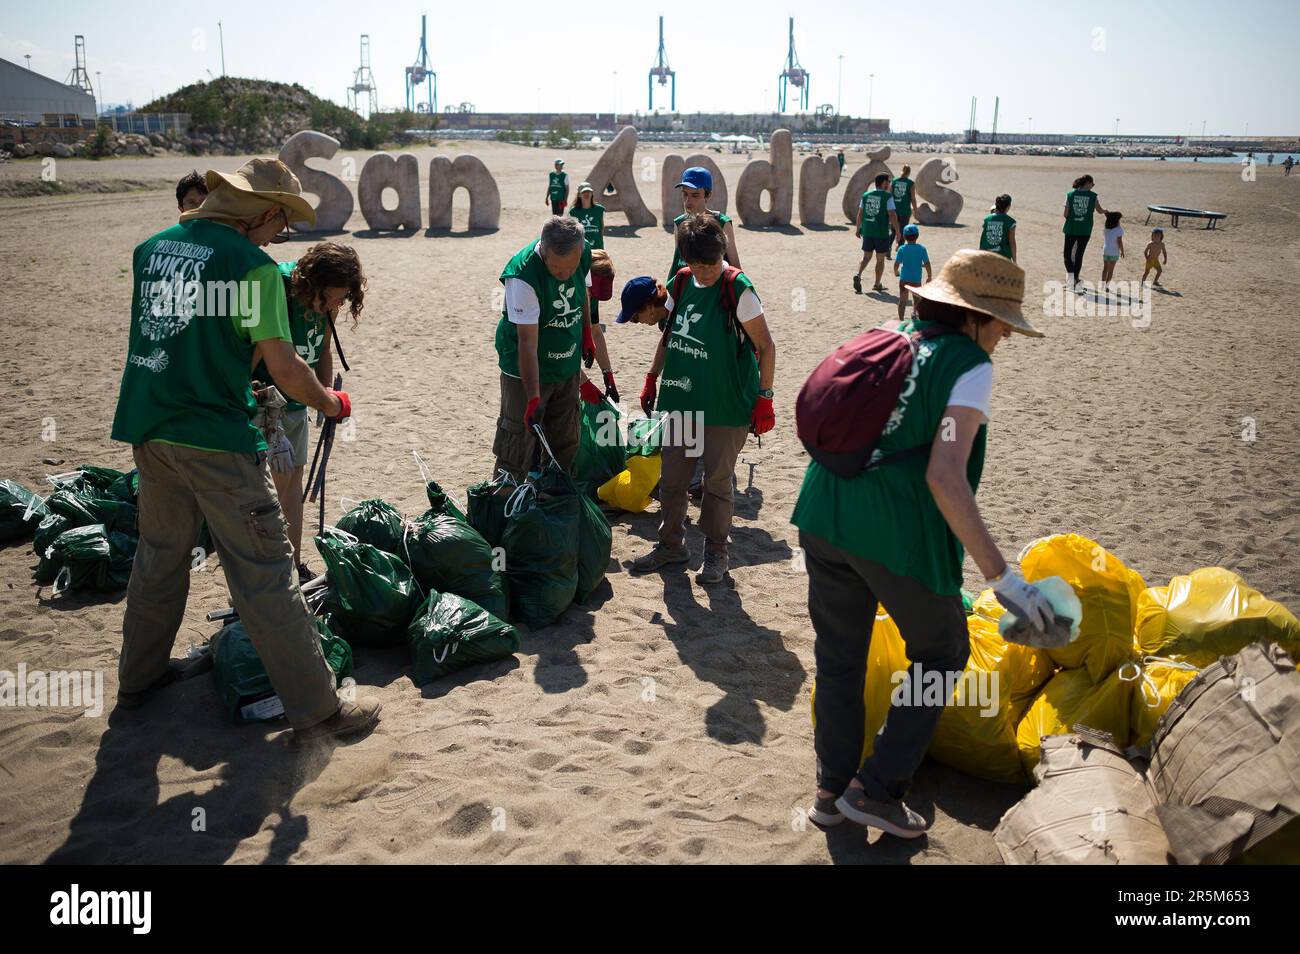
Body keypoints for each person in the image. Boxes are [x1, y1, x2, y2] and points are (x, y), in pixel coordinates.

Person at [110, 158, 379, 742]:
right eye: (279, 219)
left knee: (160, 556)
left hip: (149, 424)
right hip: (214, 437)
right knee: (265, 573)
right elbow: (283, 364)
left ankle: (138, 680)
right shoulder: (253, 268)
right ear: (260, 211)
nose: (279, 232)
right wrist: (331, 403)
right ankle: (320, 710)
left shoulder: (152, 249)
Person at [792, 249, 1051, 838]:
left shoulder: (889, 333)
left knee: (840, 658)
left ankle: (831, 792)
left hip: (823, 511)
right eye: (1002, 321)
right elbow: (945, 474)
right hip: (893, 533)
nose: (1006, 334)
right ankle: (878, 789)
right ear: (976, 317)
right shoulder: (969, 364)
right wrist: (1002, 579)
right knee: (942, 653)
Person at [624, 214, 777, 585]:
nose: (705, 272)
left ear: (721, 253)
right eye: (697, 265)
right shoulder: (681, 282)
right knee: (672, 479)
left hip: (725, 406)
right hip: (680, 400)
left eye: (710, 264)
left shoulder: (737, 288)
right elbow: (670, 335)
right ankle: (671, 545)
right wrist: (651, 377)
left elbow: (766, 346)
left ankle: (716, 551)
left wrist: (765, 397)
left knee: (716, 483)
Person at [252, 242, 366, 581]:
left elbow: (324, 348)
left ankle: (293, 564)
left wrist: (324, 394)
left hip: (299, 402)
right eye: (331, 297)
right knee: (268, 490)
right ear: (312, 284)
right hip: (266, 405)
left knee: (293, 486)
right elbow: (256, 356)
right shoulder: (279, 292)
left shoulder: (328, 302)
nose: (335, 305)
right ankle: (267, 573)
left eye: (342, 299)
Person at [493, 215, 593, 481]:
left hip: (566, 362)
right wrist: (534, 397)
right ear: (543, 250)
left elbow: (583, 291)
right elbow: (527, 343)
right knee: (517, 446)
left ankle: (555, 504)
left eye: (569, 268)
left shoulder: (583, 255)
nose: (564, 275)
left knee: (565, 441)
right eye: (557, 269)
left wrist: (587, 333)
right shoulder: (523, 275)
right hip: (525, 367)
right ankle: (505, 506)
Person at [666, 166, 741, 282]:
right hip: (687, 287)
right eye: (685, 194)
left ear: (708, 195)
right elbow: (679, 259)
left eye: (695, 195)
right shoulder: (679, 223)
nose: (688, 201)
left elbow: (735, 265)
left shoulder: (722, 223)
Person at [854, 173, 900, 294]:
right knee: (880, 260)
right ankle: (877, 284)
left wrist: (858, 228)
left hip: (867, 231)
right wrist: (898, 231)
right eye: (888, 182)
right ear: (884, 183)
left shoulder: (866, 195)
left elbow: (860, 213)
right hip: (881, 232)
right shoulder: (887, 196)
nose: (889, 184)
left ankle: (858, 275)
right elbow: (892, 214)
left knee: (866, 257)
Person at [1062, 174, 1108, 290]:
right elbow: (1099, 210)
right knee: (1079, 255)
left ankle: (1073, 278)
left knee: (1067, 255)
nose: (1093, 186)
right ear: (1087, 182)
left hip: (1071, 228)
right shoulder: (1093, 196)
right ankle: (1075, 278)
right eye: (1092, 183)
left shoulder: (1070, 194)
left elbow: (1065, 214)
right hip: (1085, 229)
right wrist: (1105, 211)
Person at [893, 224, 931, 321]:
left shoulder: (902, 249)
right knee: (917, 300)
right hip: (916, 279)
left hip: (904, 279)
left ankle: (901, 319)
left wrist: (896, 271)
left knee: (902, 301)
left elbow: (896, 263)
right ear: (917, 235)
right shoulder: (922, 249)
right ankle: (914, 313)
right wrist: (929, 276)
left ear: (904, 236)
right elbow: (927, 263)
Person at [978, 194, 1017, 261]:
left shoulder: (987, 219)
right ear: (1008, 207)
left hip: (987, 254)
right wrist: (1015, 261)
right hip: (1003, 257)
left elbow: (983, 238)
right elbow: (1012, 242)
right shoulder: (1010, 222)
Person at [569, 182, 605, 250]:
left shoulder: (599, 209)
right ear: (579, 195)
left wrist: (599, 240)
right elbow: (572, 231)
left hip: (598, 246)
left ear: (592, 194)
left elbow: (601, 226)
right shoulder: (573, 212)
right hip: (581, 248)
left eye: (589, 192)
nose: (587, 194)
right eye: (584, 192)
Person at [889, 165, 916, 254]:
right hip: (905, 210)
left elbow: (889, 195)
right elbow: (913, 198)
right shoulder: (910, 183)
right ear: (909, 172)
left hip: (894, 210)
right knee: (903, 230)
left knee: (893, 230)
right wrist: (915, 209)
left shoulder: (894, 181)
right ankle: (900, 249)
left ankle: (887, 249)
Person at [1100, 211, 1124, 288]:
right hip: (1114, 252)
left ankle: (1102, 285)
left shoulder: (1106, 228)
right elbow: (1119, 242)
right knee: (1110, 271)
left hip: (1106, 250)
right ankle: (1107, 286)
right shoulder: (1119, 229)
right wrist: (1122, 251)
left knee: (1105, 269)